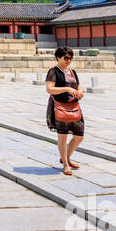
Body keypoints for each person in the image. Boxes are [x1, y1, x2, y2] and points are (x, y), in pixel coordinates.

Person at [45, 46, 85, 176]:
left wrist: (80, 92)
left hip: (74, 106)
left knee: (79, 136)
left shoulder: (72, 71)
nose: (69, 60)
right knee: (62, 136)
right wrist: (67, 89)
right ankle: (66, 164)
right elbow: (50, 89)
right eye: (66, 58)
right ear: (58, 57)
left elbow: (78, 85)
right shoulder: (53, 71)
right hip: (59, 106)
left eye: (70, 58)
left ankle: (66, 156)